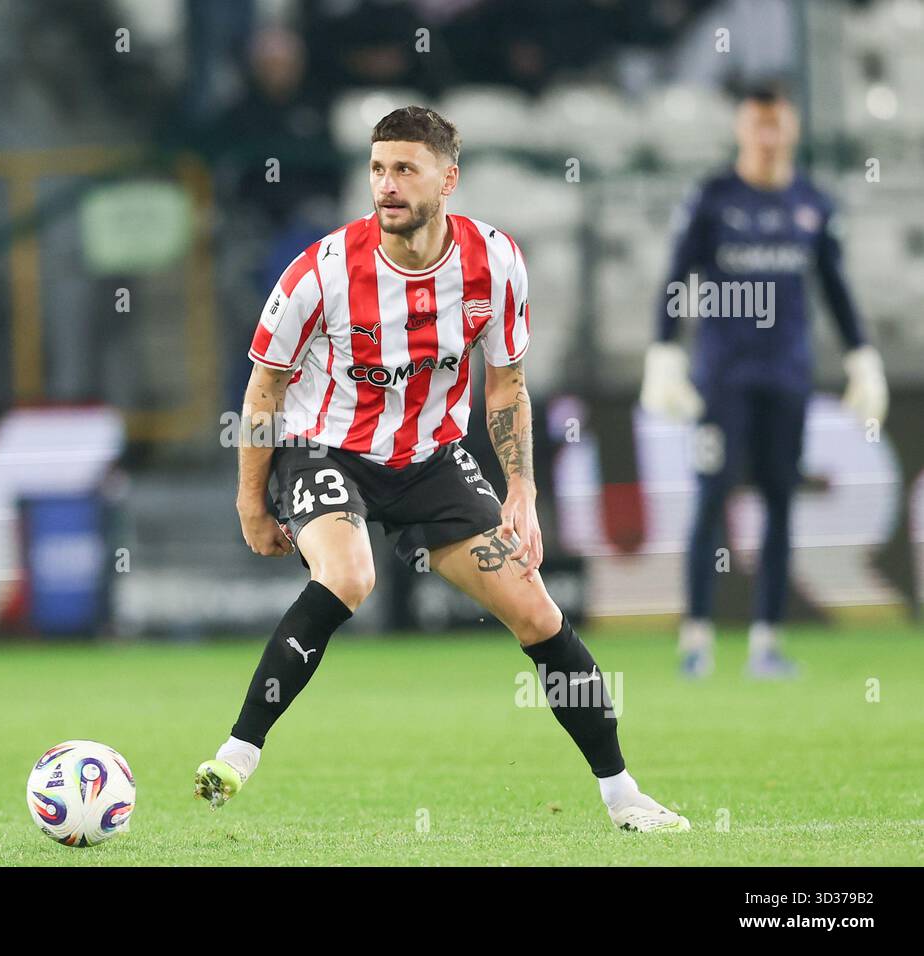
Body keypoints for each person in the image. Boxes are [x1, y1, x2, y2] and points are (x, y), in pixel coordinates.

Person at [195, 106, 691, 833]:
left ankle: (624, 797)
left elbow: (506, 385)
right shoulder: (323, 271)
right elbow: (264, 390)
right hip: (326, 447)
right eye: (377, 169)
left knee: (538, 614)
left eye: (404, 169)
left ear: (447, 179)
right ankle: (238, 752)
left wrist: (521, 489)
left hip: (431, 459)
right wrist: (250, 500)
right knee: (349, 576)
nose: (386, 186)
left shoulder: (495, 263)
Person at [640, 83, 887, 679]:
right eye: (759, 125)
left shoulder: (813, 202)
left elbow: (834, 285)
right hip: (723, 379)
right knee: (711, 498)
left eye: (778, 125)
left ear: (792, 129)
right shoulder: (712, 198)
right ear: (742, 129)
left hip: (787, 377)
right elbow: (677, 278)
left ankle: (765, 644)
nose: (769, 137)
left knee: (780, 501)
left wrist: (861, 355)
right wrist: (664, 353)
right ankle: (697, 639)